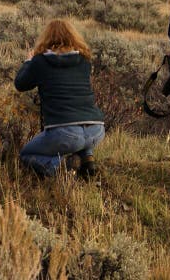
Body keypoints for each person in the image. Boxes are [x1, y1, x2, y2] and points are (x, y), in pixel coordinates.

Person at [14, 19, 105, 178]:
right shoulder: (84, 61)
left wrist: (28, 62)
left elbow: (20, 84)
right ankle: (87, 159)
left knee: (25, 155)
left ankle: (60, 166)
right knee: (79, 133)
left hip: (65, 133)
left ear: (46, 38)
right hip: (96, 130)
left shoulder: (40, 61)